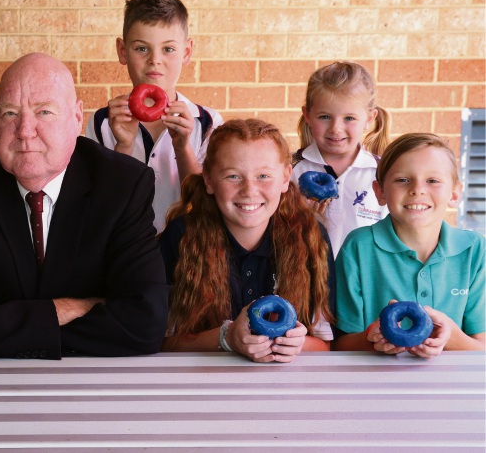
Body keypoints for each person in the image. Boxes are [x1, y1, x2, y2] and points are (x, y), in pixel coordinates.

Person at [0, 52, 168, 360]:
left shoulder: (122, 185)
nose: (24, 130)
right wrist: (73, 308)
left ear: (75, 117)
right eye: (9, 114)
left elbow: (145, 324)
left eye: (44, 112)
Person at [160, 119, 336, 363]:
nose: (250, 191)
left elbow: (326, 344)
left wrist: (296, 343)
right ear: (209, 180)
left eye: (263, 175)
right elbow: (162, 342)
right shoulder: (181, 237)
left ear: (286, 177)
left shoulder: (311, 237)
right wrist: (226, 338)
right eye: (233, 176)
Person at [87, 0, 223, 234]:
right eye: (141, 48)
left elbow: (207, 205)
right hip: (124, 250)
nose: (155, 59)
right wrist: (123, 147)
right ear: (122, 51)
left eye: (168, 49)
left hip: (188, 251)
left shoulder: (208, 122)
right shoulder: (102, 122)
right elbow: (101, 205)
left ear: (186, 52)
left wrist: (182, 147)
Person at [334, 133, 484, 356]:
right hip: (374, 383)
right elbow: (339, 344)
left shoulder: (474, 250)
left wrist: (451, 337)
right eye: (403, 180)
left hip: (450, 386)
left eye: (433, 181)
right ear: (380, 191)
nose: (417, 190)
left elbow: (482, 348)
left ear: (454, 193)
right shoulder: (358, 247)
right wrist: (371, 339)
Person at [291, 61, 391, 257]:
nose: (336, 128)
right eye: (325, 117)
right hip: (307, 280)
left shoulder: (383, 173)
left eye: (349, 118)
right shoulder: (290, 171)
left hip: (364, 283)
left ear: (370, 118)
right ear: (307, 115)